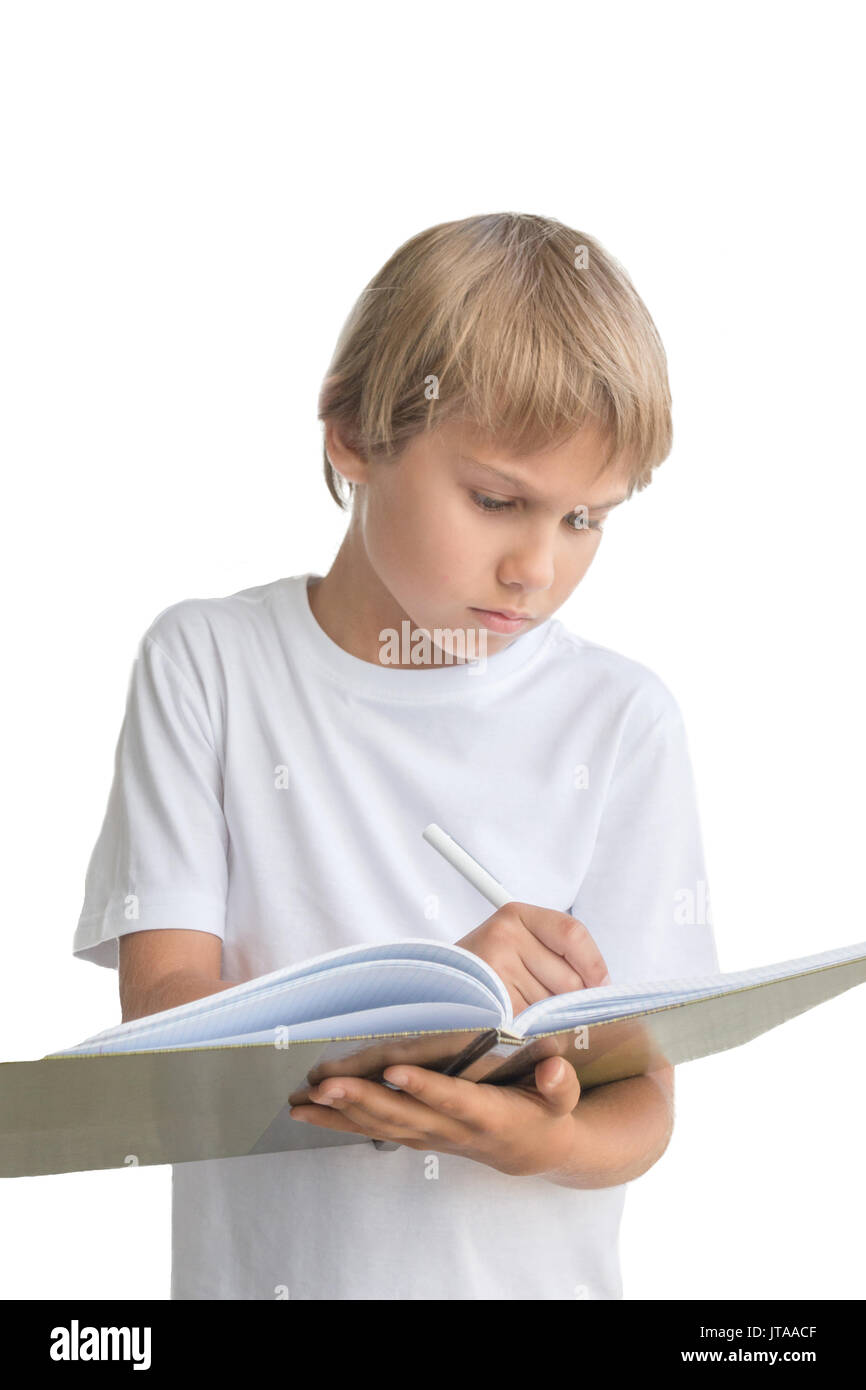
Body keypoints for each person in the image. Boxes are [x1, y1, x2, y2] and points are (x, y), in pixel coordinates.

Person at [72, 211, 719, 1300]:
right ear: (352, 436)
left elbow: (638, 1098)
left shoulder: (620, 720)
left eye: (584, 520)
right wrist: (417, 1014)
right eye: (496, 500)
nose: (534, 568)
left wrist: (537, 1143)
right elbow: (166, 1024)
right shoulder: (212, 665)